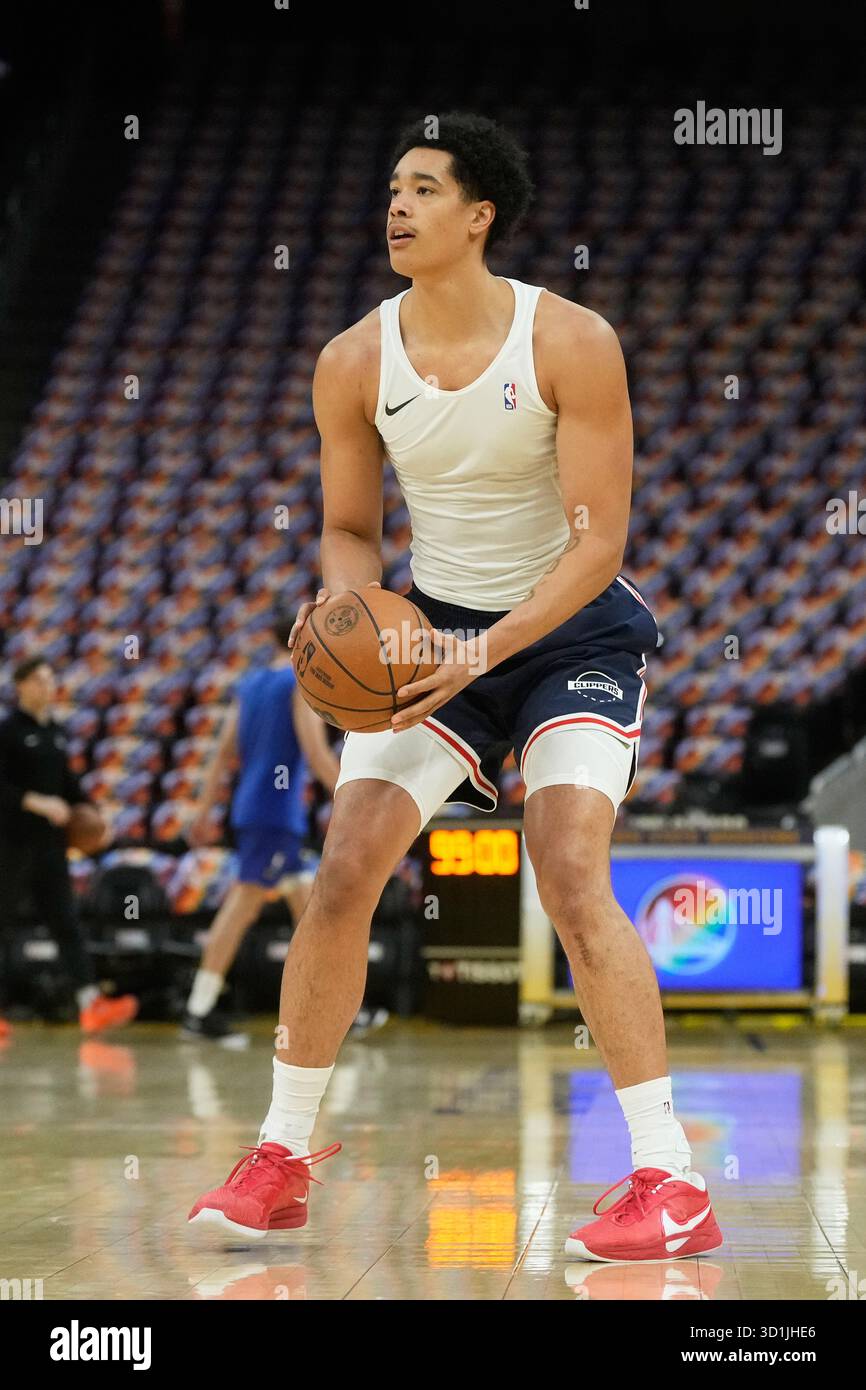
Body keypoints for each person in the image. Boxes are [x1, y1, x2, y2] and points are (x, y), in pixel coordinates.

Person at [189, 112, 722, 1263]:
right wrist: (347, 612)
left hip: (570, 630)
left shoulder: (570, 340)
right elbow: (344, 527)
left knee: (570, 863)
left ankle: (668, 1177)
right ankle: (279, 1159)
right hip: (434, 633)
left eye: (423, 188)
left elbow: (595, 542)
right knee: (342, 870)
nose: (397, 204)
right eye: (392, 187)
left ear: (477, 216)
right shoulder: (349, 359)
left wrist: (483, 650)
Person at [182, 609, 341, 1044]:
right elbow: (315, 752)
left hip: (251, 808)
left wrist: (203, 809)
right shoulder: (297, 683)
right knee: (245, 904)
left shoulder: (249, 686)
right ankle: (198, 1010)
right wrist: (349, 797)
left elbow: (220, 754)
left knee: (308, 908)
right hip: (276, 812)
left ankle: (338, 1007)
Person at [0, 655, 138, 1035]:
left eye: (51, 680)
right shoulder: (8, 730)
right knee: (3, 925)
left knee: (66, 923)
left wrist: (95, 816)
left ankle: (90, 1004)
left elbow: (70, 786)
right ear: (22, 685)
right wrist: (35, 800)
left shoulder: (56, 732)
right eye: (41, 680)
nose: (49, 687)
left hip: (50, 846)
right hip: (11, 844)